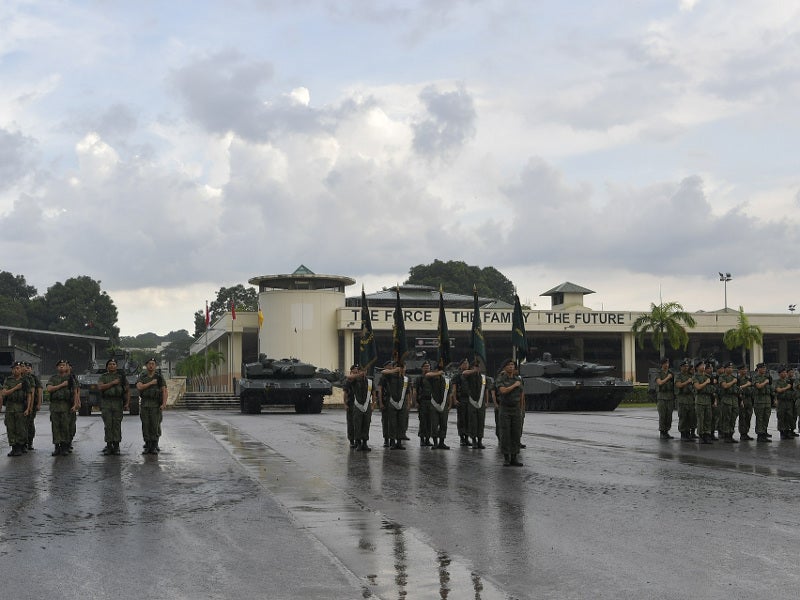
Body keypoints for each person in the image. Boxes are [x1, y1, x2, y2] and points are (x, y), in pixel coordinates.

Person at [46, 359, 80, 456]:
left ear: (67, 367)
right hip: (55, 405)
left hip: (66, 405)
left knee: (65, 426)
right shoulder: (53, 378)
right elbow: (49, 389)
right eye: (60, 365)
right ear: (57, 367)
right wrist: (62, 385)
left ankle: (65, 446)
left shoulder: (70, 378)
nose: (61, 367)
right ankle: (57, 446)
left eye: (63, 365)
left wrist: (75, 404)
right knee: (55, 426)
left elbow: (75, 392)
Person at [97, 357, 130, 455]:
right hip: (106, 402)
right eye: (110, 364)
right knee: (108, 425)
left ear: (116, 366)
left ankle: (116, 446)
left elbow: (127, 390)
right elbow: (100, 387)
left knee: (116, 424)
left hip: (118, 402)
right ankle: (108, 445)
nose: (112, 365)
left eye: (114, 364)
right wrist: (112, 383)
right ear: (107, 366)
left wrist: (127, 403)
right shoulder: (103, 376)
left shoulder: (122, 377)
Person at [0, 361, 32, 456]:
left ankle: (20, 446)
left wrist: (28, 408)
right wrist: (16, 388)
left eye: (17, 368)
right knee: (10, 428)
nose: (15, 370)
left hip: (20, 406)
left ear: (21, 370)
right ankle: (14, 447)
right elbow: (4, 393)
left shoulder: (25, 380)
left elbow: (29, 395)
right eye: (14, 369)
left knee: (20, 428)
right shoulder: (8, 380)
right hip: (10, 407)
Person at [136, 357, 167, 454]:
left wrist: (164, 404)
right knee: (145, 425)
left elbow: (164, 391)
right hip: (145, 404)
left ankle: (154, 445)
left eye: (153, 363)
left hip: (155, 404)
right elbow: (139, 387)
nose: (151, 365)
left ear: (155, 365)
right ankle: (147, 445)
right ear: (146, 365)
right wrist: (151, 383)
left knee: (155, 425)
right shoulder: (142, 375)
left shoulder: (159, 377)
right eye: (149, 363)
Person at [496, 358, 524, 466]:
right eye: (508, 365)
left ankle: (514, 457)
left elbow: (521, 394)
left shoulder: (518, 379)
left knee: (516, 433)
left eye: (512, 365)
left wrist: (521, 409)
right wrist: (514, 385)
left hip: (515, 409)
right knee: (505, 433)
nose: (511, 366)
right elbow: (503, 391)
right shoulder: (501, 378)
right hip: (505, 409)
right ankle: (506, 458)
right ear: (505, 367)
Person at [379, 361, 409, 450]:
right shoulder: (389, 376)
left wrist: (408, 403)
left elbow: (407, 392)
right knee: (392, 423)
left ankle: (399, 442)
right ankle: (392, 442)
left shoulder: (405, 379)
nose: (400, 368)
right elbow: (383, 372)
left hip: (402, 404)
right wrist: (394, 370)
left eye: (402, 367)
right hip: (391, 403)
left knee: (401, 423)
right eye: (398, 367)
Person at [345, 364, 372, 451]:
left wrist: (373, 403)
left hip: (365, 405)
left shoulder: (369, 381)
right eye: (361, 371)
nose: (363, 373)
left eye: (364, 371)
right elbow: (348, 378)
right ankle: (356, 442)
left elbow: (373, 392)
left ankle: (365, 443)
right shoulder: (354, 380)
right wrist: (345, 403)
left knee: (366, 424)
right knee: (355, 424)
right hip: (355, 404)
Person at [427, 363, 452, 449]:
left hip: (444, 405)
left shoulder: (447, 381)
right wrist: (437, 373)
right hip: (434, 405)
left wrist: (450, 404)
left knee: (443, 424)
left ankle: (442, 442)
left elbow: (449, 394)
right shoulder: (432, 379)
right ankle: (435, 443)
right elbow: (427, 374)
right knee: (434, 424)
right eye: (437, 370)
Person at [465, 359, 488, 449]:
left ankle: (480, 441)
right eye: (475, 366)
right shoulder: (469, 376)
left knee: (481, 422)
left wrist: (486, 402)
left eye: (478, 366)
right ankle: (474, 440)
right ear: (471, 367)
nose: (477, 368)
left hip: (481, 402)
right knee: (473, 422)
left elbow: (486, 390)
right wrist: (472, 371)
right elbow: (464, 373)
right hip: (472, 402)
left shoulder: (483, 377)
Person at [451, 358, 474, 446]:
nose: (466, 365)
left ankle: (467, 437)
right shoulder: (457, 376)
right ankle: (462, 438)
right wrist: (455, 399)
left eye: (467, 363)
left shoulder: (470, 375)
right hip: (461, 399)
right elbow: (454, 389)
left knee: (468, 419)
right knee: (461, 419)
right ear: (460, 365)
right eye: (464, 363)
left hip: (469, 400)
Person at [693, 360, 715, 444]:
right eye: (701, 365)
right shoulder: (695, 377)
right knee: (700, 419)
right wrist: (706, 383)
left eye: (704, 365)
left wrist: (706, 387)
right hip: (700, 401)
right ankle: (701, 435)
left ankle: (707, 434)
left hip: (708, 401)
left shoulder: (708, 376)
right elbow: (698, 387)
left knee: (708, 419)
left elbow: (713, 389)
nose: (703, 366)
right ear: (697, 367)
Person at [717, 361, 739, 443]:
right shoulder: (722, 377)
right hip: (726, 399)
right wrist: (733, 382)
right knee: (726, 418)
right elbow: (725, 386)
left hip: (734, 400)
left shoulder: (734, 377)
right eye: (729, 367)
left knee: (733, 418)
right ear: (725, 369)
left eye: (731, 367)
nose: (731, 369)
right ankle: (726, 435)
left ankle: (731, 434)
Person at [675, 360, 696, 440]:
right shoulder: (678, 376)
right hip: (682, 399)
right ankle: (683, 434)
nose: (686, 368)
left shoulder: (690, 375)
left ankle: (688, 433)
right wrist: (687, 382)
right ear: (681, 367)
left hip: (690, 399)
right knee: (683, 417)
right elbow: (678, 385)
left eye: (687, 366)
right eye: (684, 366)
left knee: (690, 417)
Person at [413, 361, 433, 447]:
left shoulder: (432, 378)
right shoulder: (419, 379)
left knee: (430, 421)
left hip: (431, 402)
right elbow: (414, 391)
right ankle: (422, 439)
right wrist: (415, 402)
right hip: (422, 402)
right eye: (425, 366)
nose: (427, 368)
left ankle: (428, 439)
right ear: (422, 368)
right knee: (423, 421)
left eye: (428, 366)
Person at [24, 362, 42, 450]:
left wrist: (39, 403)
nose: (27, 369)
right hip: (22, 404)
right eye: (25, 367)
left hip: (32, 404)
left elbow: (39, 391)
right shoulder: (21, 378)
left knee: (30, 423)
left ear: (31, 369)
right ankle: (23, 442)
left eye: (28, 368)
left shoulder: (34, 378)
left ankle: (30, 442)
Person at [752, 363, 773, 442]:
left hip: (767, 400)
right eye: (762, 368)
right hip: (759, 400)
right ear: (758, 369)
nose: (764, 370)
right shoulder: (755, 377)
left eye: (765, 368)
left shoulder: (767, 377)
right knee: (760, 418)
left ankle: (764, 432)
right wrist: (765, 382)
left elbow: (771, 389)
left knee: (766, 418)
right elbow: (758, 386)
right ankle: (760, 435)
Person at [655, 357, 675, 439]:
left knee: (669, 416)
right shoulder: (658, 373)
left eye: (668, 363)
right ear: (662, 364)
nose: (667, 365)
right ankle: (662, 432)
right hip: (662, 397)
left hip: (670, 397)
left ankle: (666, 431)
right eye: (665, 363)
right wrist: (668, 378)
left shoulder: (671, 373)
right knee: (662, 415)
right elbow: (659, 383)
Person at [774, 366, 794, 439]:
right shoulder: (777, 382)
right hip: (781, 402)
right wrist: (787, 387)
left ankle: (787, 432)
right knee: (781, 417)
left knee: (789, 417)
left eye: (785, 372)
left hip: (788, 402)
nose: (785, 374)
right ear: (779, 374)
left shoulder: (788, 381)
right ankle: (782, 433)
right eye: (783, 372)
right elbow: (778, 390)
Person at [737, 364, 754, 441]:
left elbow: (753, 389)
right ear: (739, 371)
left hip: (749, 399)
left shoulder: (749, 379)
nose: (745, 371)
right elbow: (738, 390)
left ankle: (746, 432)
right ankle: (742, 433)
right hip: (742, 399)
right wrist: (740, 400)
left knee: (748, 416)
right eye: (743, 369)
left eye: (746, 369)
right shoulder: (738, 380)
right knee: (742, 417)